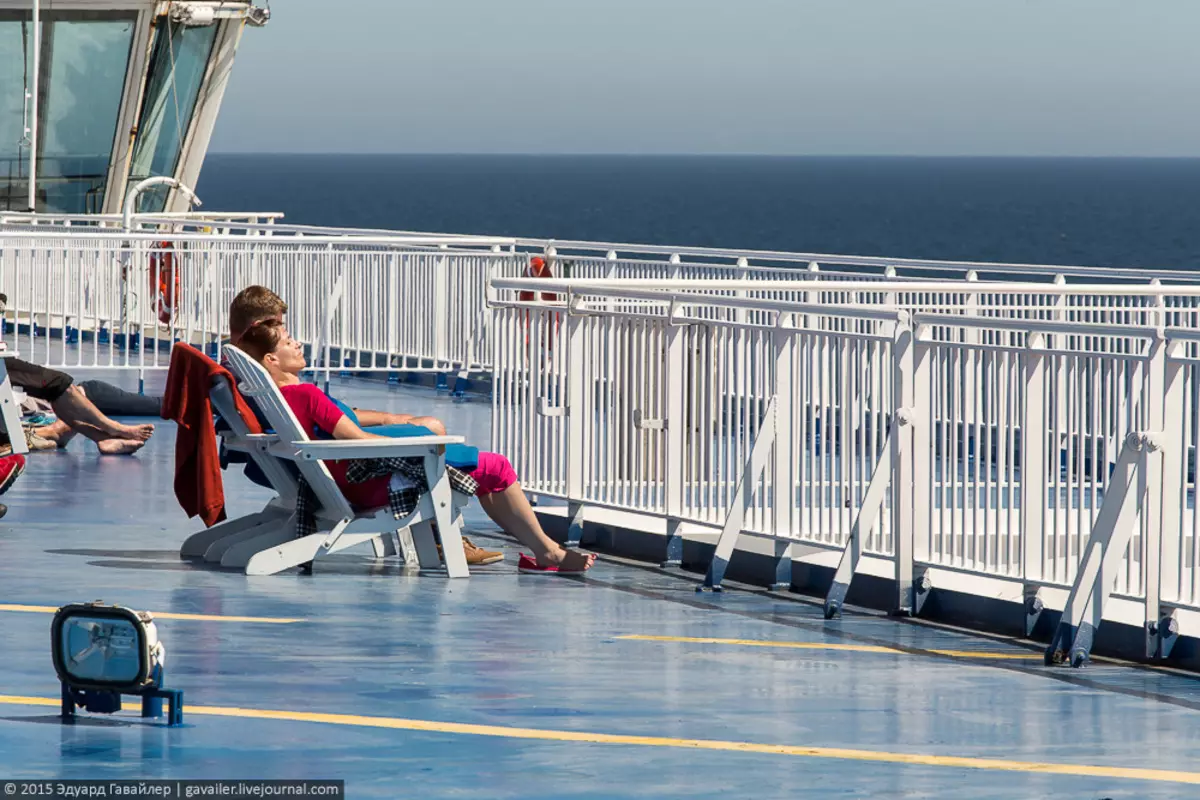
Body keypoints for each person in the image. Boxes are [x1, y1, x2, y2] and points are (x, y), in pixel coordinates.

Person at [236, 318, 595, 574]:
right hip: (367, 484)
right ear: (271, 360)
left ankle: (540, 549)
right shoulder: (307, 394)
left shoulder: (278, 397)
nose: (297, 343)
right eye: (288, 342)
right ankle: (547, 550)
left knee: (482, 470)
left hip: (337, 481)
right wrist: (418, 444)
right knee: (497, 466)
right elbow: (357, 440)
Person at [2, 357, 154, 455]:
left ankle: (103, 437)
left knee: (60, 387)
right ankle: (113, 429)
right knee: (60, 385)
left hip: (73, 399)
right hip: (91, 393)